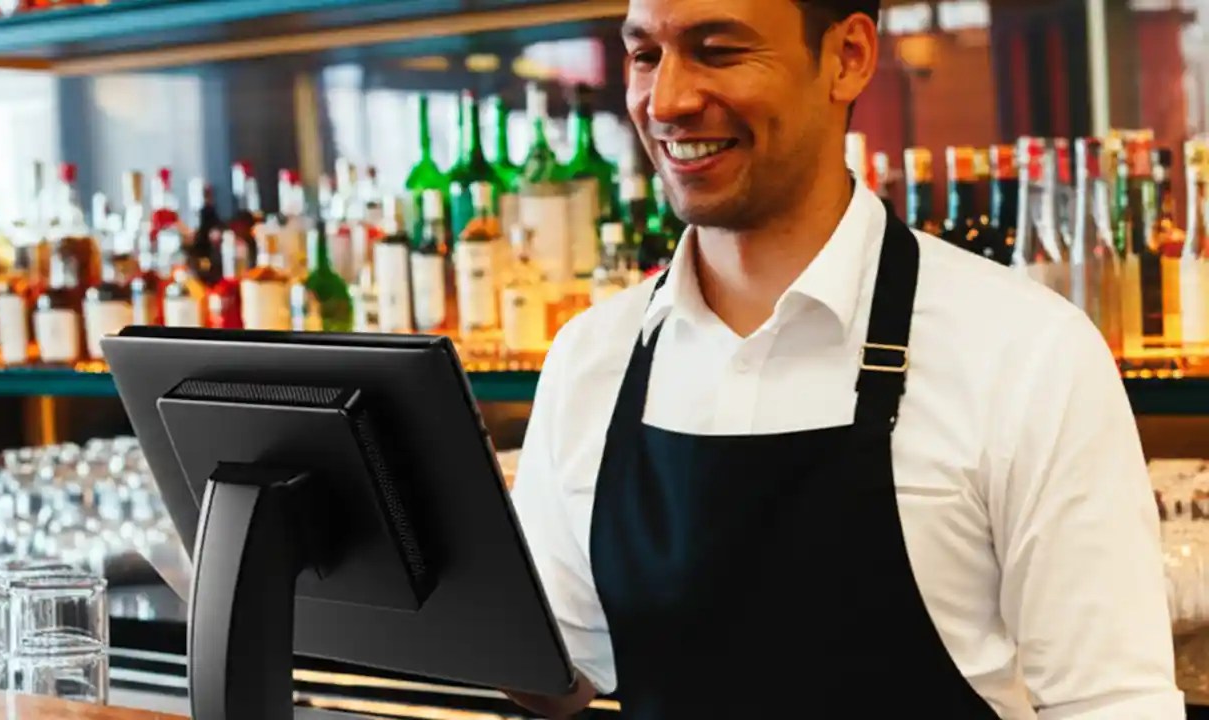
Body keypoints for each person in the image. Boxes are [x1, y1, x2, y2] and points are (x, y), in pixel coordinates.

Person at [505, 0, 1182, 717]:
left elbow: (1111, 705)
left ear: (849, 57)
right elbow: (560, 678)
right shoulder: (590, 359)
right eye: (645, 56)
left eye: (720, 50)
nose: (666, 100)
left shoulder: (1028, 352)